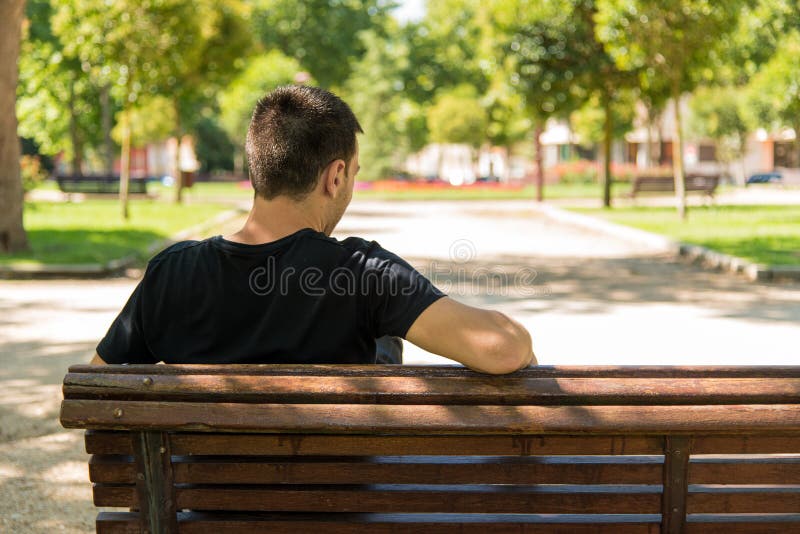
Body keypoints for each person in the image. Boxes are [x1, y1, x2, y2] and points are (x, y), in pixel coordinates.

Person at [90, 85, 535, 374]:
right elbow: (502, 349)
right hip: (339, 513)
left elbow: (96, 386)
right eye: (354, 174)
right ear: (335, 176)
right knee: (383, 341)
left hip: (200, 514)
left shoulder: (172, 273)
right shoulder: (363, 274)